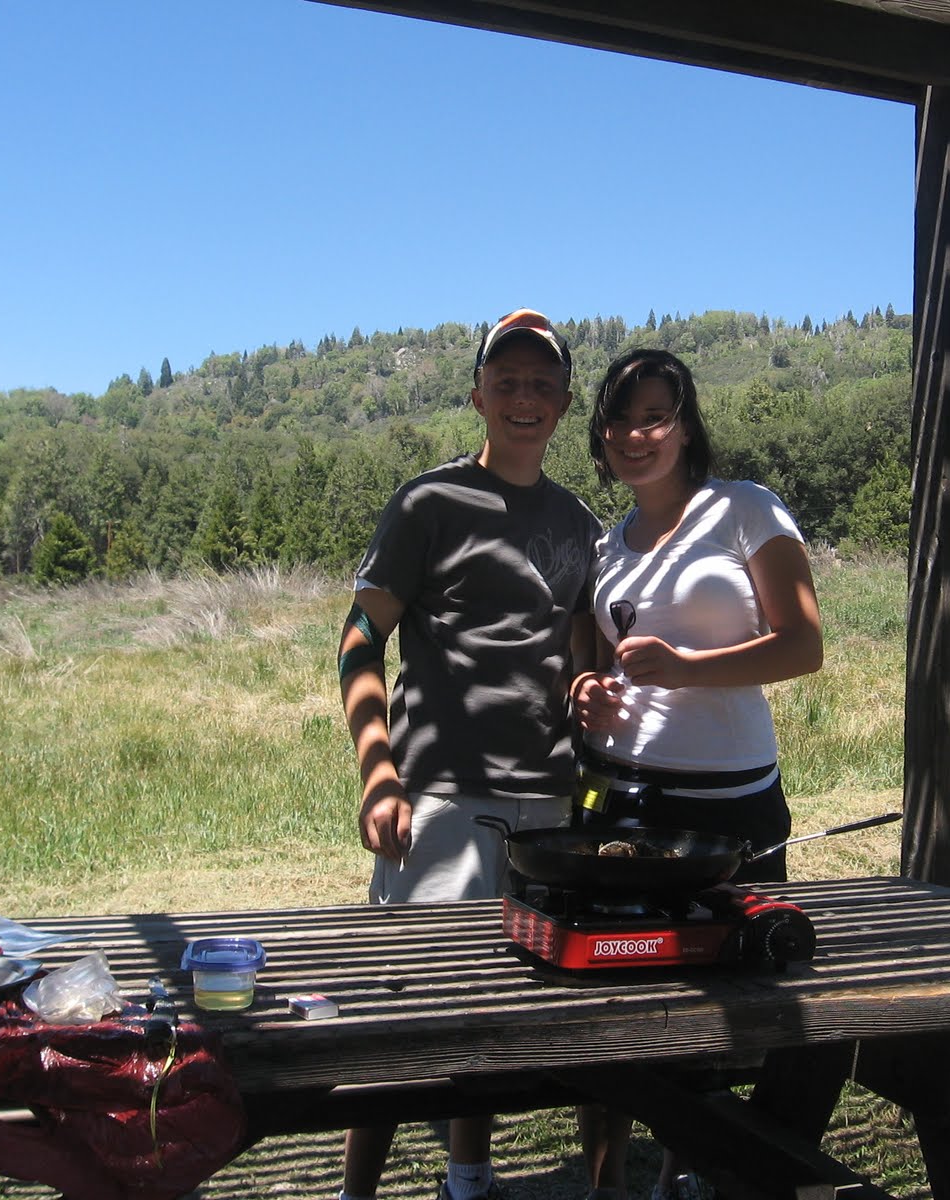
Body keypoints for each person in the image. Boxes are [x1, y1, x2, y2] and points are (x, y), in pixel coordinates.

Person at [337, 309, 602, 1200]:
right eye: (507, 381)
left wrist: (591, 689)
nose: (523, 399)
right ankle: (358, 1191)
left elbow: (579, 649)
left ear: (563, 404)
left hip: (548, 806)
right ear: (477, 394)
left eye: (541, 384)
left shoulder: (581, 525)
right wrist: (380, 774)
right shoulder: (427, 504)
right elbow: (359, 639)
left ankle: (467, 1177)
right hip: (442, 798)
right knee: (401, 1013)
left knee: (499, 1013)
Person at [570, 348, 823, 1200]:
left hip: (731, 805)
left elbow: (804, 645)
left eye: (655, 416)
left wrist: (687, 667)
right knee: (618, 1005)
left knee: (731, 1006)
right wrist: (589, 692)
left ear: (685, 427)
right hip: (626, 796)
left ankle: (693, 1175)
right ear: (600, 436)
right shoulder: (612, 545)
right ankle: (609, 1186)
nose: (635, 433)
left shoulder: (745, 509)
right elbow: (613, 665)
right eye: (619, 418)